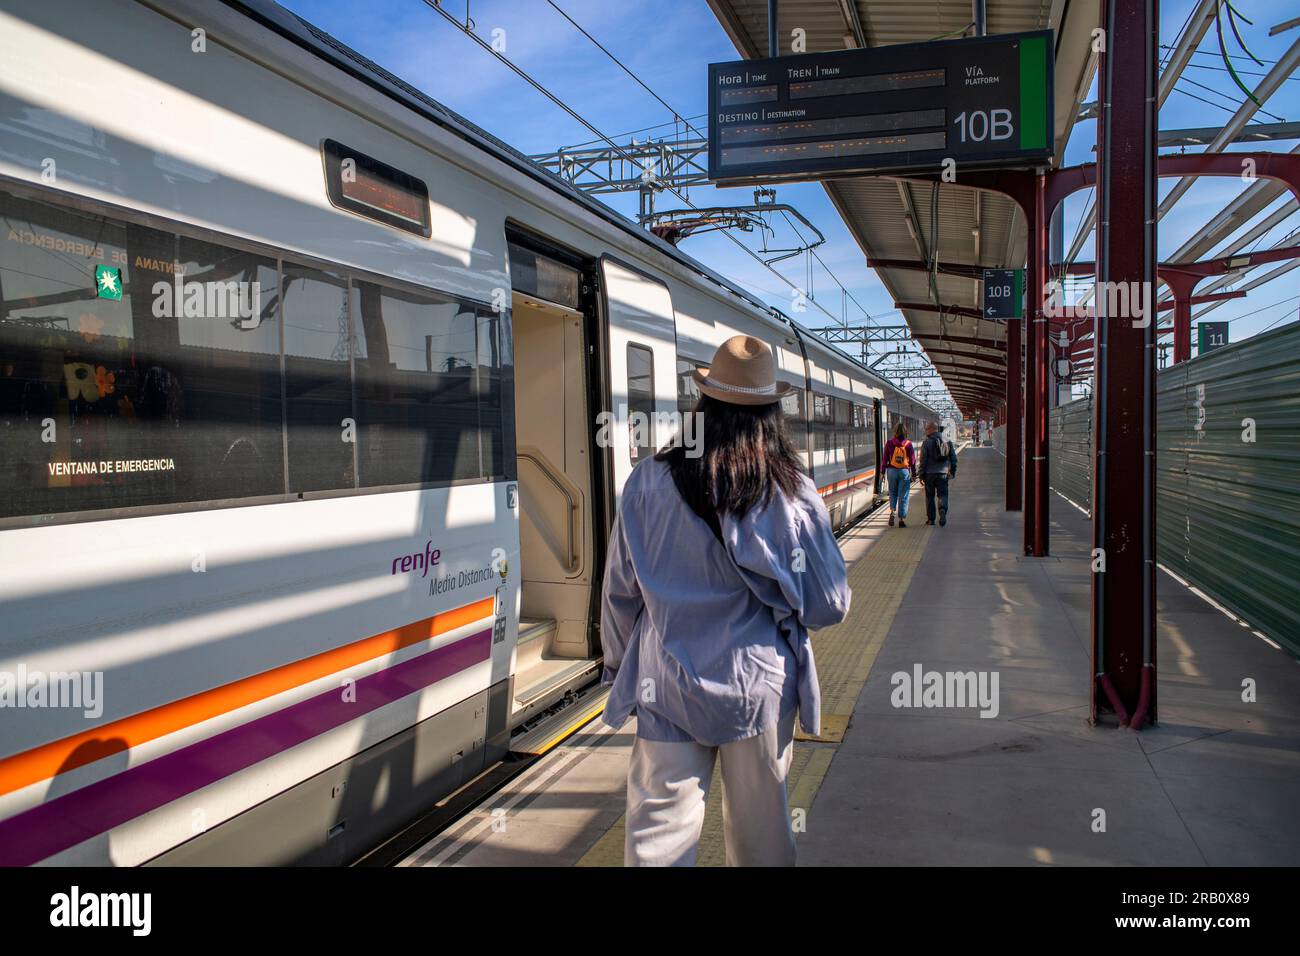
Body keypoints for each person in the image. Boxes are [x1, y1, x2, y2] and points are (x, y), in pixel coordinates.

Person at [599, 334, 850, 867]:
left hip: (665, 686)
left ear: (703, 404)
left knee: (656, 841)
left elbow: (620, 595)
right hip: (755, 690)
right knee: (761, 841)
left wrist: (624, 668)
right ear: (770, 415)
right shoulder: (788, 492)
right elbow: (830, 603)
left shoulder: (645, 482)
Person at [918, 421, 958, 526]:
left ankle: (931, 520)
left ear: (932, 429)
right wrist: (952, 471)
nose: (925, 431)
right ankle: (942, 510)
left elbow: (923, 460)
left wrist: (921, 475)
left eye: (926, 429)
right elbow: (953, 458)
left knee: (930, 497)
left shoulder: (926, 442)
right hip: (943, 474)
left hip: (929, 474)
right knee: (943, 494)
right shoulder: (947, 441)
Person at [880, 423, 916, 527]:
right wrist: (913, 474)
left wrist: (882, 472)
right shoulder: (908, 444)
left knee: (892, 493)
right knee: (903, 495)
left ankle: (892, 512)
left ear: (895, 431)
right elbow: (912, 461)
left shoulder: (889, 443)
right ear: (905, 432)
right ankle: (901, 520)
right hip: (904, 471)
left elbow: (885, 459)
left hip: (891, 471)